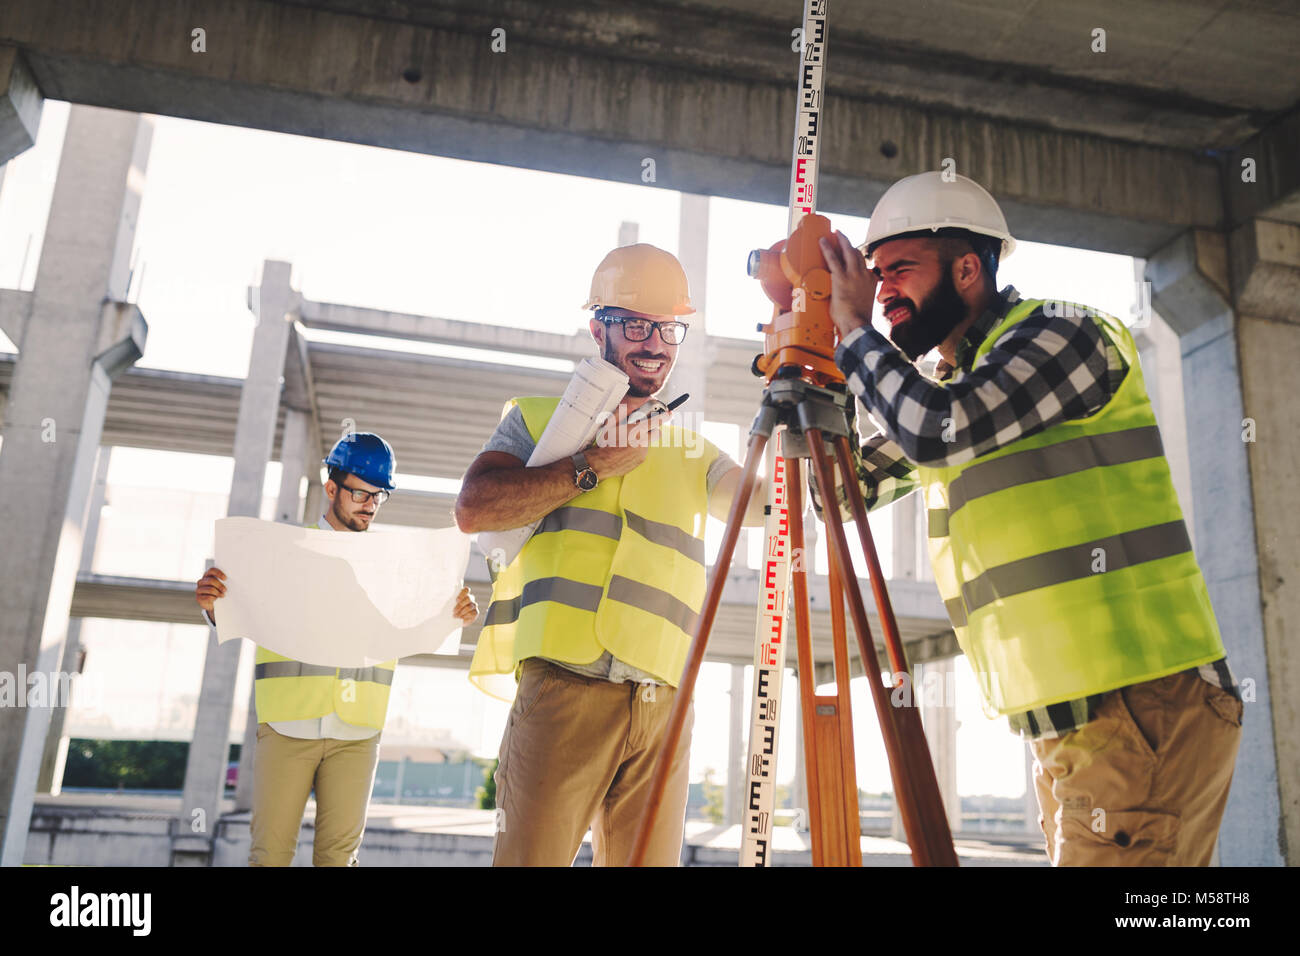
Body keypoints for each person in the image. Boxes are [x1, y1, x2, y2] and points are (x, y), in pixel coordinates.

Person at [813, 171, 1242, 866]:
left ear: (967, 268)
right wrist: (813, 367)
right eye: (874, 274)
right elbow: (836, 493)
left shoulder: (1064, 335)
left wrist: (855, 333)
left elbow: (935, 430)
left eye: (899, 270)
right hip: (1076, 725)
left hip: (1139, 704)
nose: (881, 289)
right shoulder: (957, 387)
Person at [455, 243, 763, 866]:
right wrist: (591, 466)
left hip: (663, 703)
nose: (655, 343)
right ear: (598, 327)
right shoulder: (540, 422)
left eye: (668, 328)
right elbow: (476, 508)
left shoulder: (693, 449)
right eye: (635, 325)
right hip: (565, 686)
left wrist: (801, 403)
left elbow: (771, 507)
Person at [195, 432, 479, 866]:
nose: (369, 503)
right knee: (269, 856)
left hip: (358, 731)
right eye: (360, 493)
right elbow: (245, 610)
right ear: (332, 488)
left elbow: (410, 626)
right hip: (289, 723)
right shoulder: (283, 553)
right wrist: (215, 607)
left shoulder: (394, 567)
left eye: (378, 495)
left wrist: (453, 612)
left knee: (339, 861)